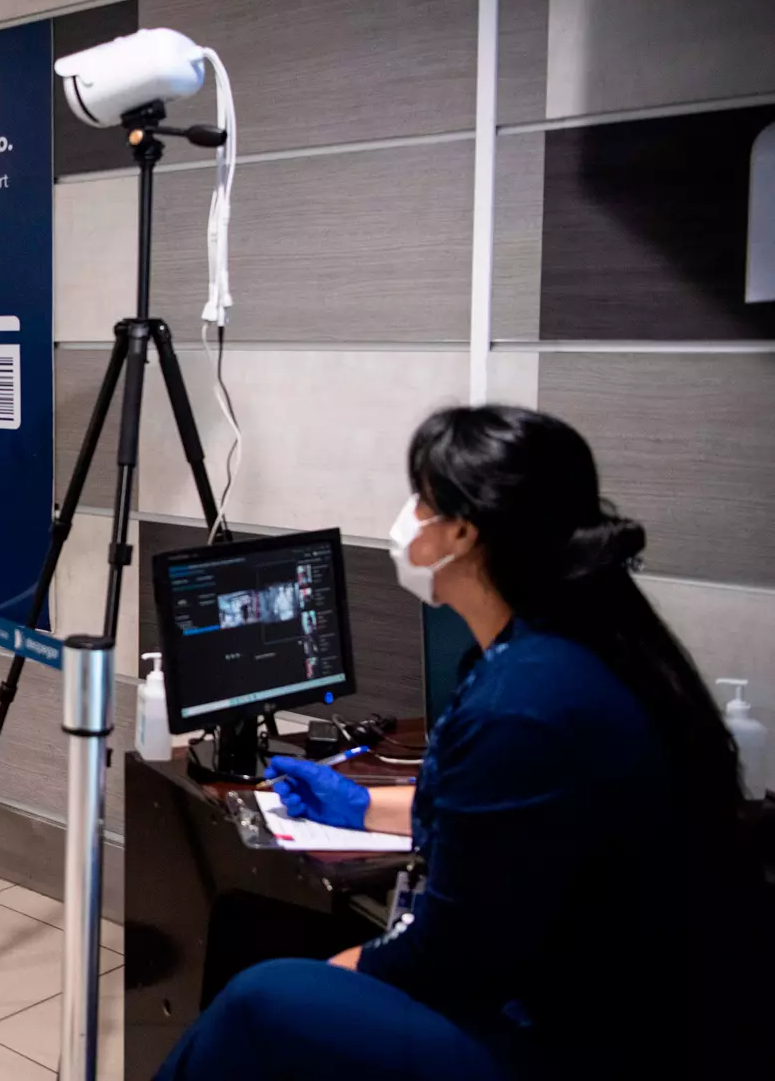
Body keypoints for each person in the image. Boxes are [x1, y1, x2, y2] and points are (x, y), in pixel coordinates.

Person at [157, 406, 763, 1081]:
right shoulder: (572, 643)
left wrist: (356, 968)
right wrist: (358, 806)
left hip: (578, 1040)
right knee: (246, 927)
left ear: (465, 531)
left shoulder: (526, 700)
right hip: (600, 991)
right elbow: (509, 816)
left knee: (259, 1001)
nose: (407, 518)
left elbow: (456, 951)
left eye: (421, 500)